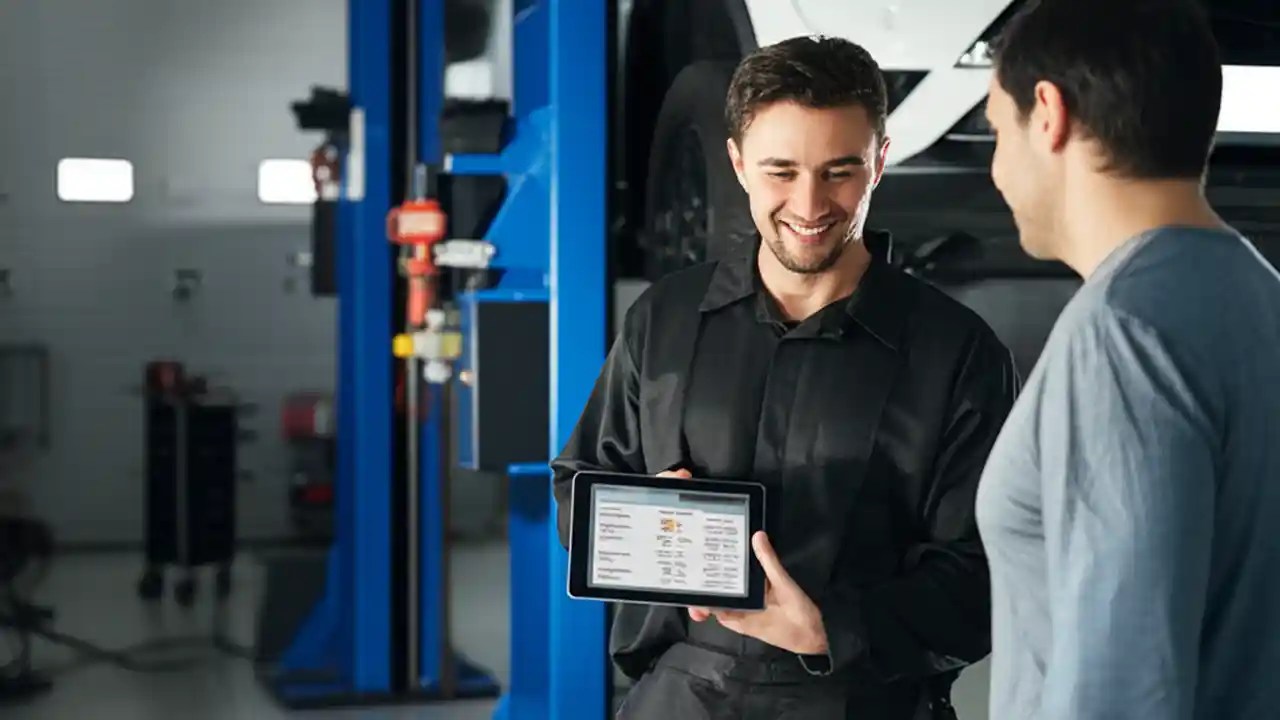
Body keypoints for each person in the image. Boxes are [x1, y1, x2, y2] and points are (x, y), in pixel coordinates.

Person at [552, 36, 1019, 719]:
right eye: (781, 171)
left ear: (879, 162)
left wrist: (833, 629)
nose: (809, 204)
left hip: (862, 701)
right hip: (681, 695)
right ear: (738, 163)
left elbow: (988, 572)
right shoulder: (666, 319)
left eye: (839, 172)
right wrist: (646, 519)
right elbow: (579, 485)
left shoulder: (957, 353)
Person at [976, 0, 1280, 718]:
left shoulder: (1121, 335)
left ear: (1048, 114)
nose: (996, 169)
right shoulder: (1261, 296)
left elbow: (1121, 688)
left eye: (996, 131)